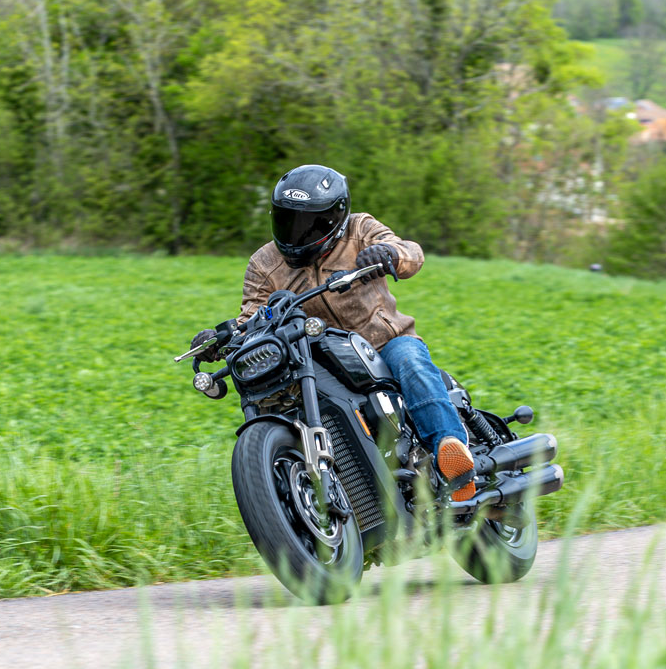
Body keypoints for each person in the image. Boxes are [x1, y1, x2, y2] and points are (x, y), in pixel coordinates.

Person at [190, 165, 476, 500]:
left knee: (410, 359)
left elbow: (411, 253)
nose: (297, 232)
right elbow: (252, 316)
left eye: (310, 223)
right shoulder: (264, 263)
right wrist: (221, 340)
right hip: (318, 357)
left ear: (335, 217)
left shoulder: (360, 229)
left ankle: (451, 453)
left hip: (381, 342)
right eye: (288, 220)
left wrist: (388, 254)